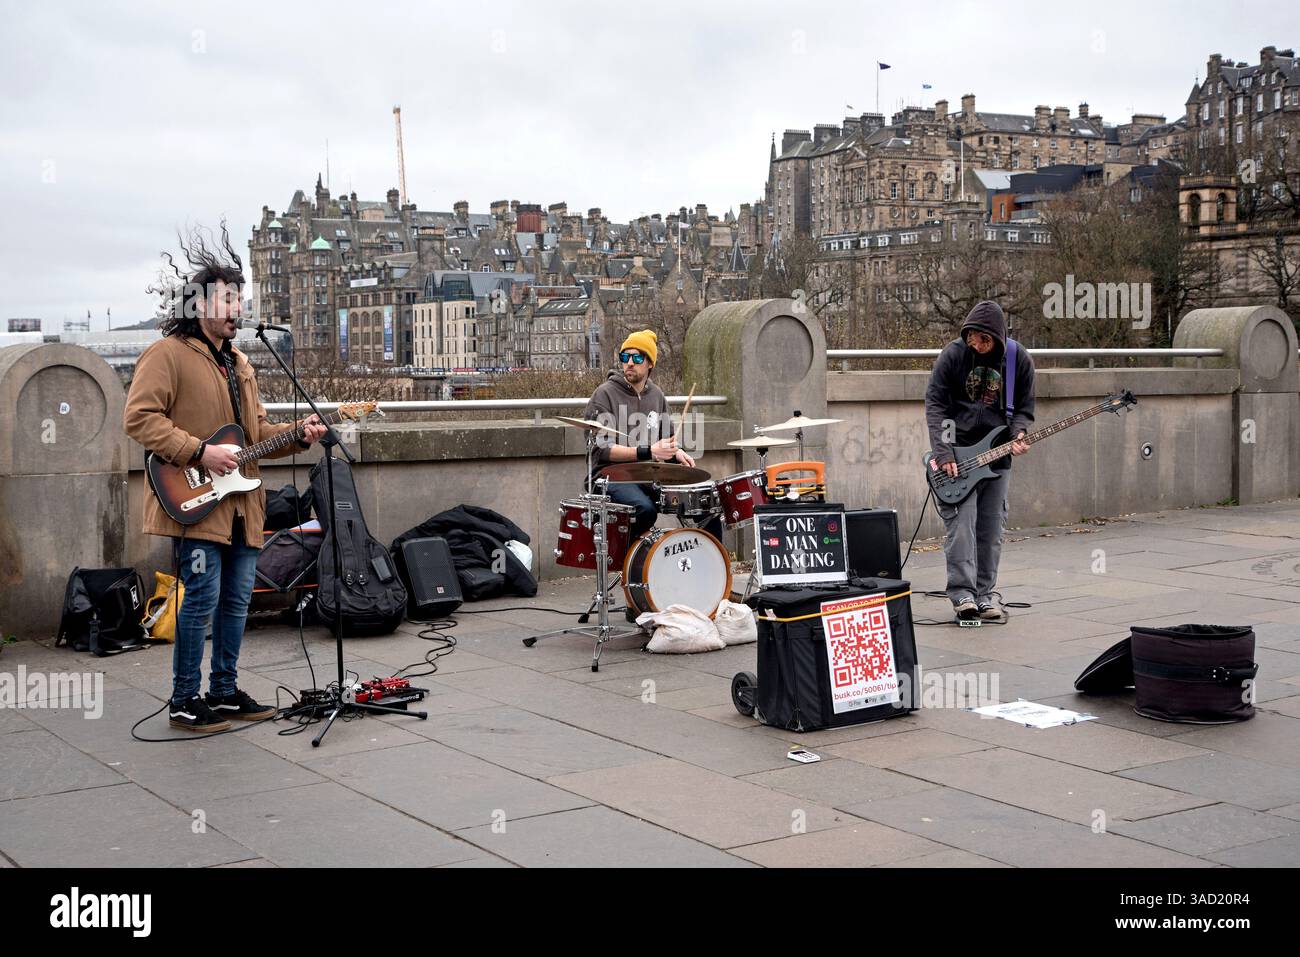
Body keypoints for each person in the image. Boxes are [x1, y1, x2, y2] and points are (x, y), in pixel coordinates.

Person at [125, 226, 326, 732]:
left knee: (236, 600)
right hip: (193, 503)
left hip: (242, 505)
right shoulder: (166, 354)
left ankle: (225, 689)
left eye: (241, 299)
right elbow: (140, 418)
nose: (239, 309)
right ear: (200, 305)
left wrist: (298, 435)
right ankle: (184, 700)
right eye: (230, 300)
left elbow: (254, 433)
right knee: (201, 598)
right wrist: (198, 451)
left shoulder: (239, 362)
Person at [923, 300, 1035, 622]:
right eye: (971, 336)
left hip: (998, 455)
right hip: (957, 454)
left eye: (983, 340)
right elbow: (935, 404)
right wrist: (944, 452)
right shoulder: (953, 355)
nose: (976, 344)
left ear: (997, 338)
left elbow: (1024, 407)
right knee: (962, 526)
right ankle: (962, 595)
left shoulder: (1018, 360)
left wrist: (1019, 432)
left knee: (990, 528)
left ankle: (985, 596)